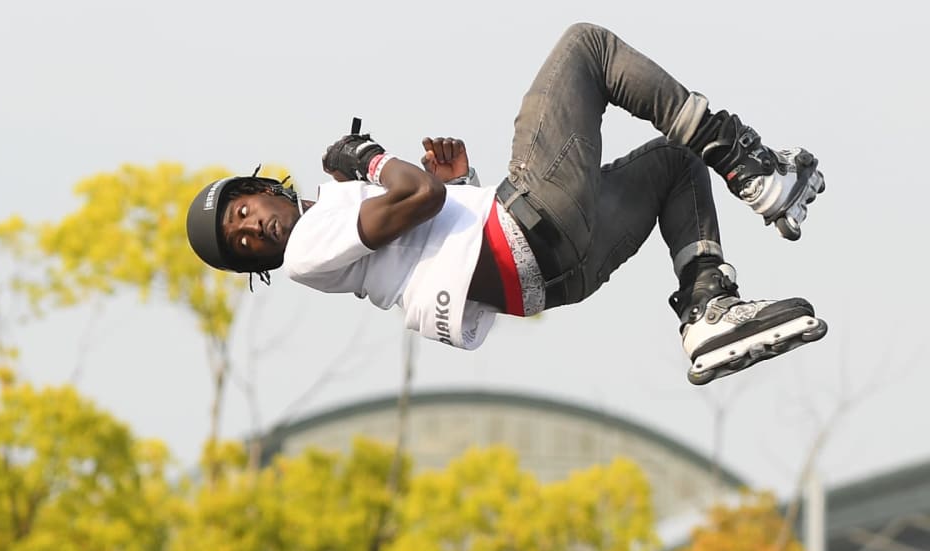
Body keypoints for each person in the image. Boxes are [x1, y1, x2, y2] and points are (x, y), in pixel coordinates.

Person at [184, 22, 827, 385]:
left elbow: (435, 229)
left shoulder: (330, 228)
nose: (253, 230)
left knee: (676, 163)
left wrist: (466, 184)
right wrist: (367, 157)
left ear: (261, 190)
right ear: (259, 263)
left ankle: (708, 307)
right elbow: (420, 195)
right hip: (529, 237)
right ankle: (750, 164)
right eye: (244, 244)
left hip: (555, 273)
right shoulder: (309, 244)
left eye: (243, 213)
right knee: (586, 48)